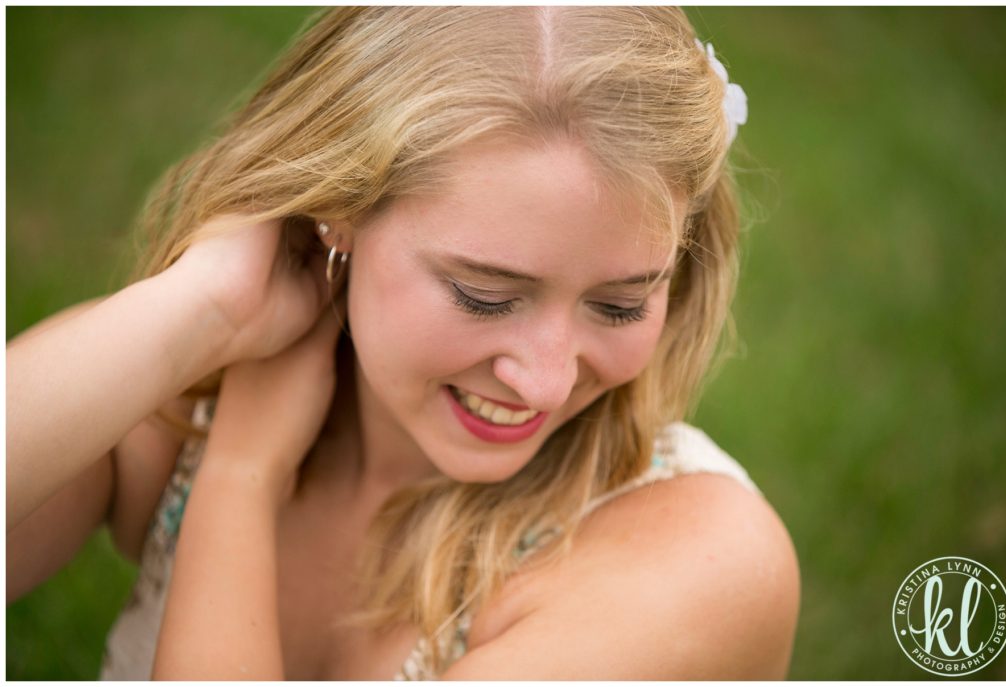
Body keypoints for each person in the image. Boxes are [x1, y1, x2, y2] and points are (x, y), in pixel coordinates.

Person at [7, 6, 800, 680]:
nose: (547, 381)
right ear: (336, 210)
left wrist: (242, 475)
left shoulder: (704, 562)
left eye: (621, 305)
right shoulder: (190, 393)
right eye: (484, 294)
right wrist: (210, 303)